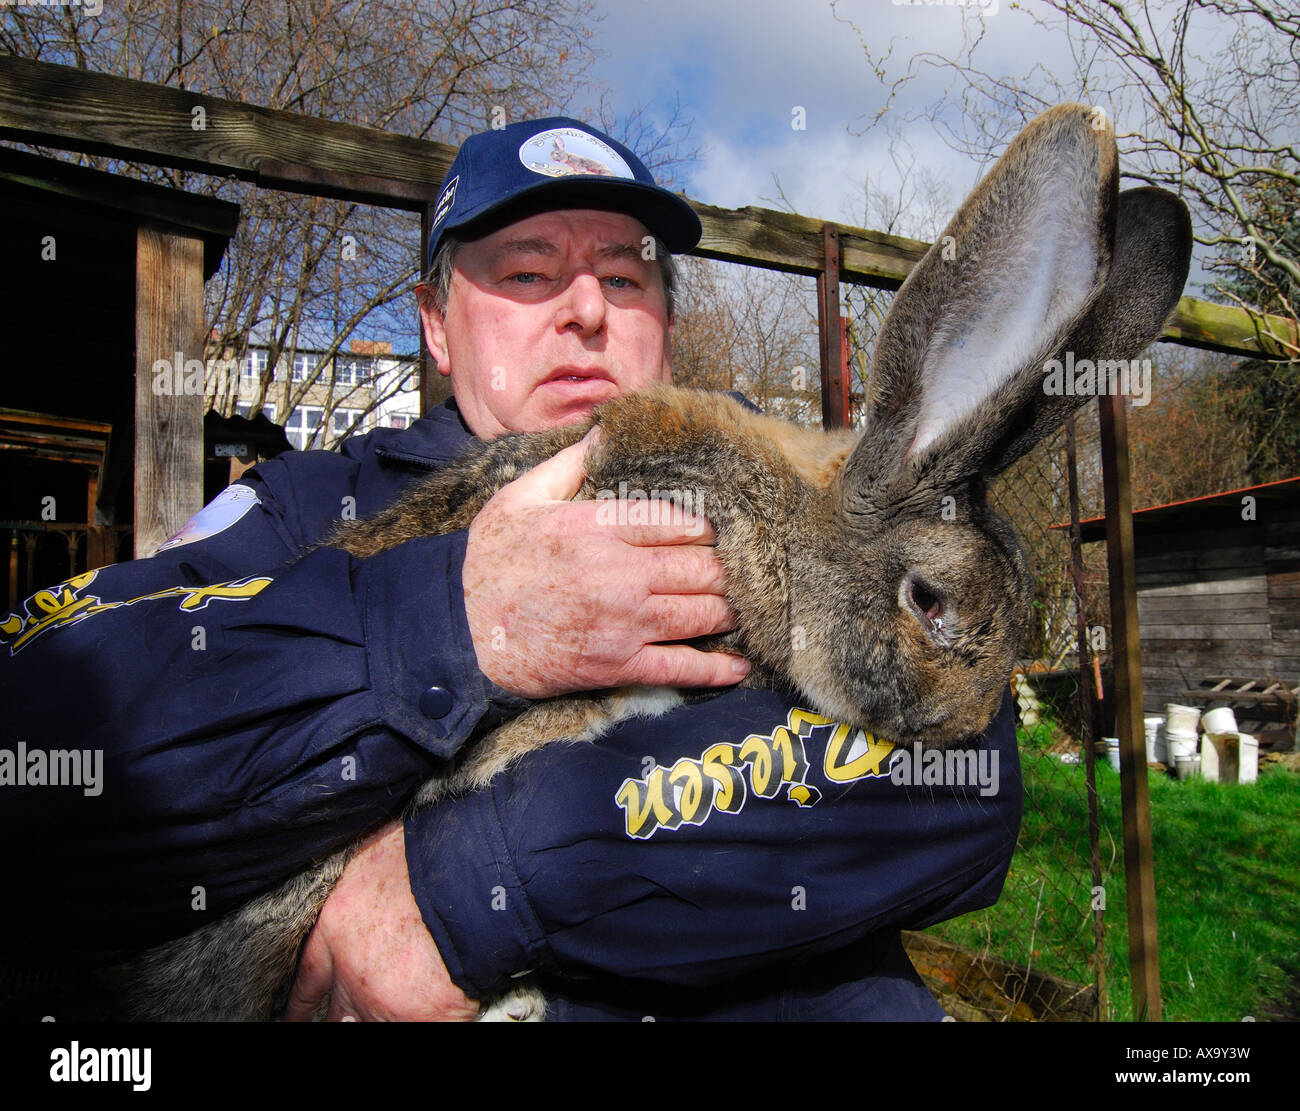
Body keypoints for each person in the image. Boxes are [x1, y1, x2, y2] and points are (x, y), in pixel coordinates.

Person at [0, 117, 1020, 1021]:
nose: (586, 310)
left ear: (665, 318)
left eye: (626, 276)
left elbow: (960, 760)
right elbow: (45, 721)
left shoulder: (791, 481)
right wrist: (456, 622)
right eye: (528, 272)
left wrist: (464, 886)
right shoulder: (304, 505)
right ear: (436, 323)